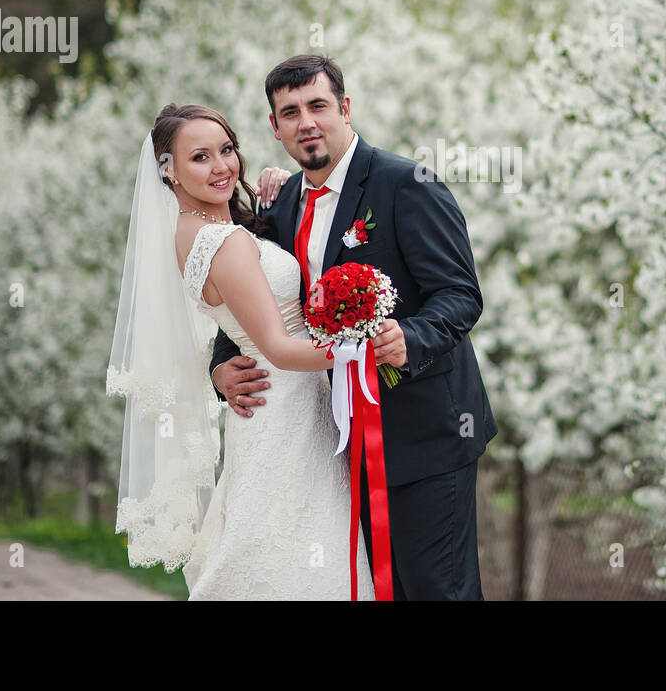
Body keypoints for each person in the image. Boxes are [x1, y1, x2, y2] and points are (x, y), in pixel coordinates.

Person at [210, 53, 497, 600]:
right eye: (289, 113)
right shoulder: (283, 203)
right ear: (274, 128)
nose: (306, 122)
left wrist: (408, 339)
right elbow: (260, 302)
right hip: (330, 444)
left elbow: (460, 295)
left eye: (317, 105)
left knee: (436, 590)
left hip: (424, 435)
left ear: (344, 107)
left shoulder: (406, 184)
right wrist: (220, 366)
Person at [108, 102, 373, 599]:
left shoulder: (192, 233)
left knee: (274, 543)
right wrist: (363, 345)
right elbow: (277, 346)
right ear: (169, 171)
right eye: (201, 157)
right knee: (304, 556)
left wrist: (274, 199)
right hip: (289, 408)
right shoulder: (221, 241)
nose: (222, 167)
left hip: (269, 411)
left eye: (226, 150)